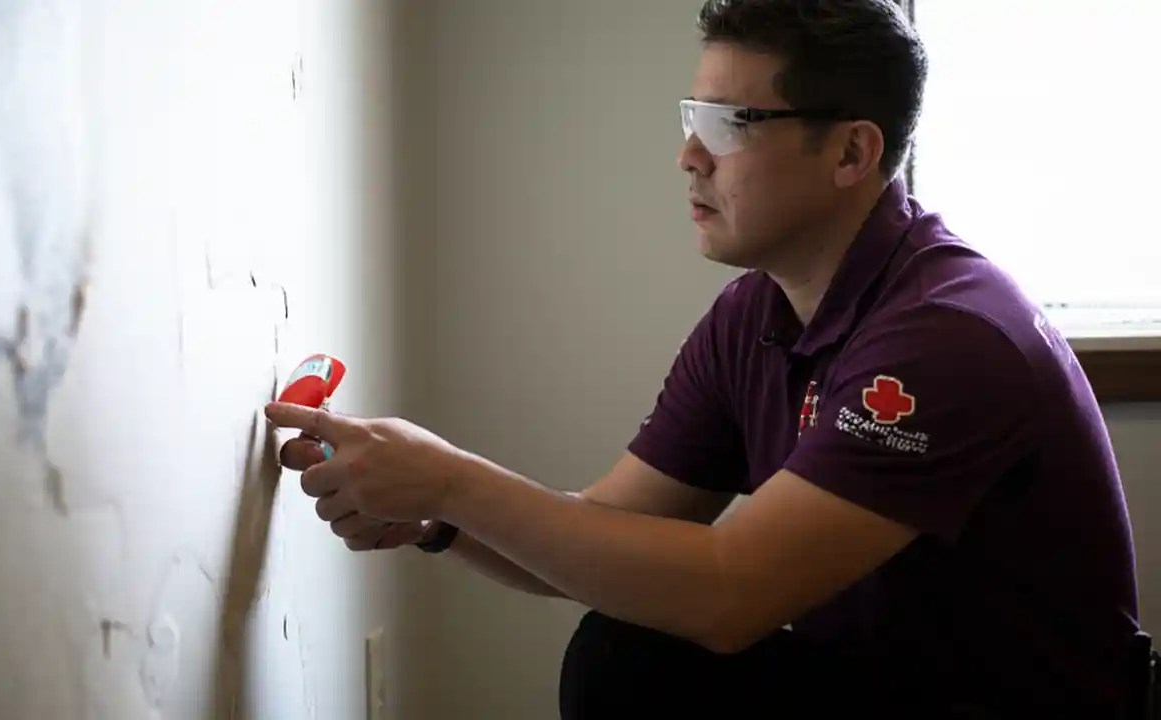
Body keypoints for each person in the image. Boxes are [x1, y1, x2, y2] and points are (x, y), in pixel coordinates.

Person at [267, 0, 1141, 716]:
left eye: (729, 124)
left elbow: (730, 596)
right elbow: (602, 527)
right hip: (890, 689)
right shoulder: (755, 314)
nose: (688, 155)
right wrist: (436, 519)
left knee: (636, 661)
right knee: (629, 647)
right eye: (692, 117)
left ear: (851, 151)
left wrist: (451, 481)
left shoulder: (950, 335)